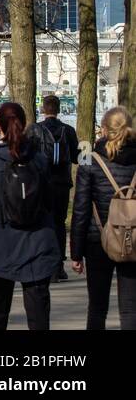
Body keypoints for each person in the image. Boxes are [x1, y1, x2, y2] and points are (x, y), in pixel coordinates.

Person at [0, 100, 58, 330]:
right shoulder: (39, 158)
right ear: (23, 124)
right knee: (38, 314)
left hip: (2, 244)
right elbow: (50, 201)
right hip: (37, 243)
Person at [70, 105, 136, 329]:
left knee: (97, 308)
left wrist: (76, 252)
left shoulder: (90, 160)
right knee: (130, 309)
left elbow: (81, 209)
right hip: (132, 239)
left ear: (104, 130)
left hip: (97, 239)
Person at [29, 94, 80, 282]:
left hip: (41, 183)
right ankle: (58, 267)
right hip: (61, 184)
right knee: (59, 223)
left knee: (43, 222)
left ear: (43, 109)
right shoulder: (68, 131)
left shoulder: (35, 130)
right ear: (58, 110)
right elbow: (77, 157)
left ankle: (44, 265)